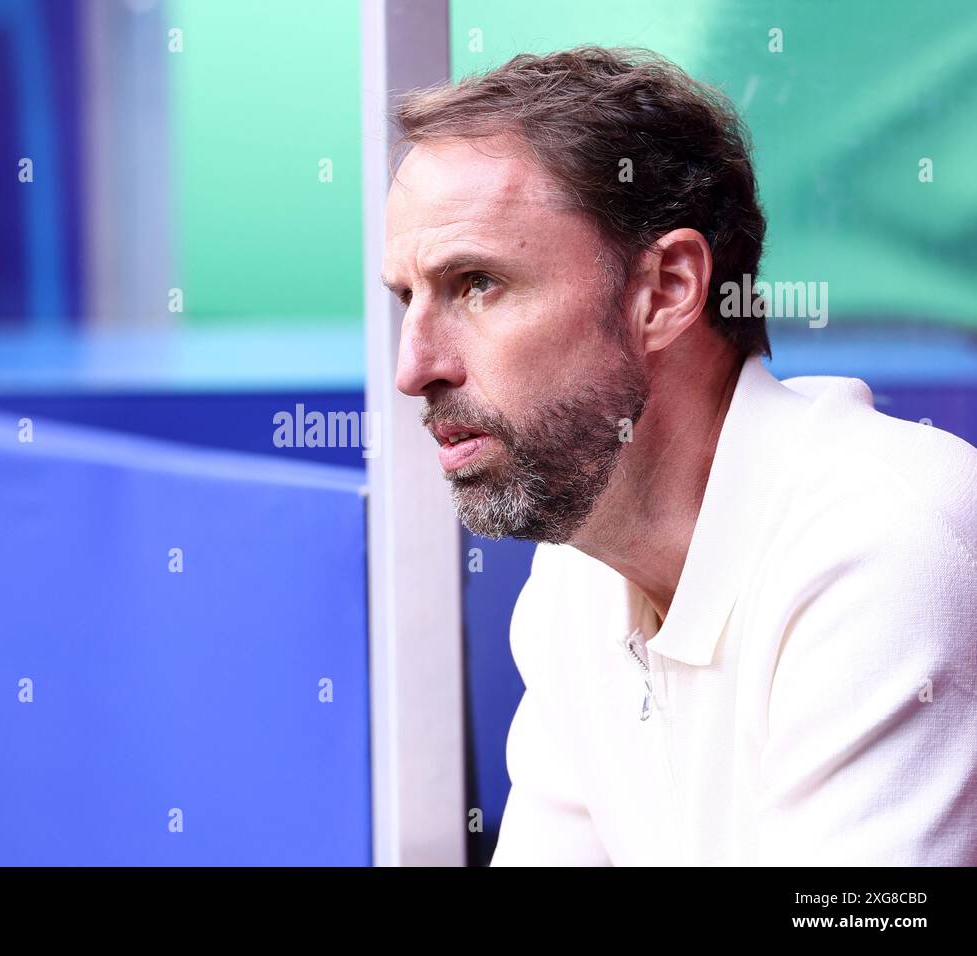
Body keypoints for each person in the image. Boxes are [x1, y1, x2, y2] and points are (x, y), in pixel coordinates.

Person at [380, 47, 977, 865]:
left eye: (477, 283)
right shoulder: (577, 573)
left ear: (665, 291)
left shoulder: (883, 544)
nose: (414, 368)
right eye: (408, 298)